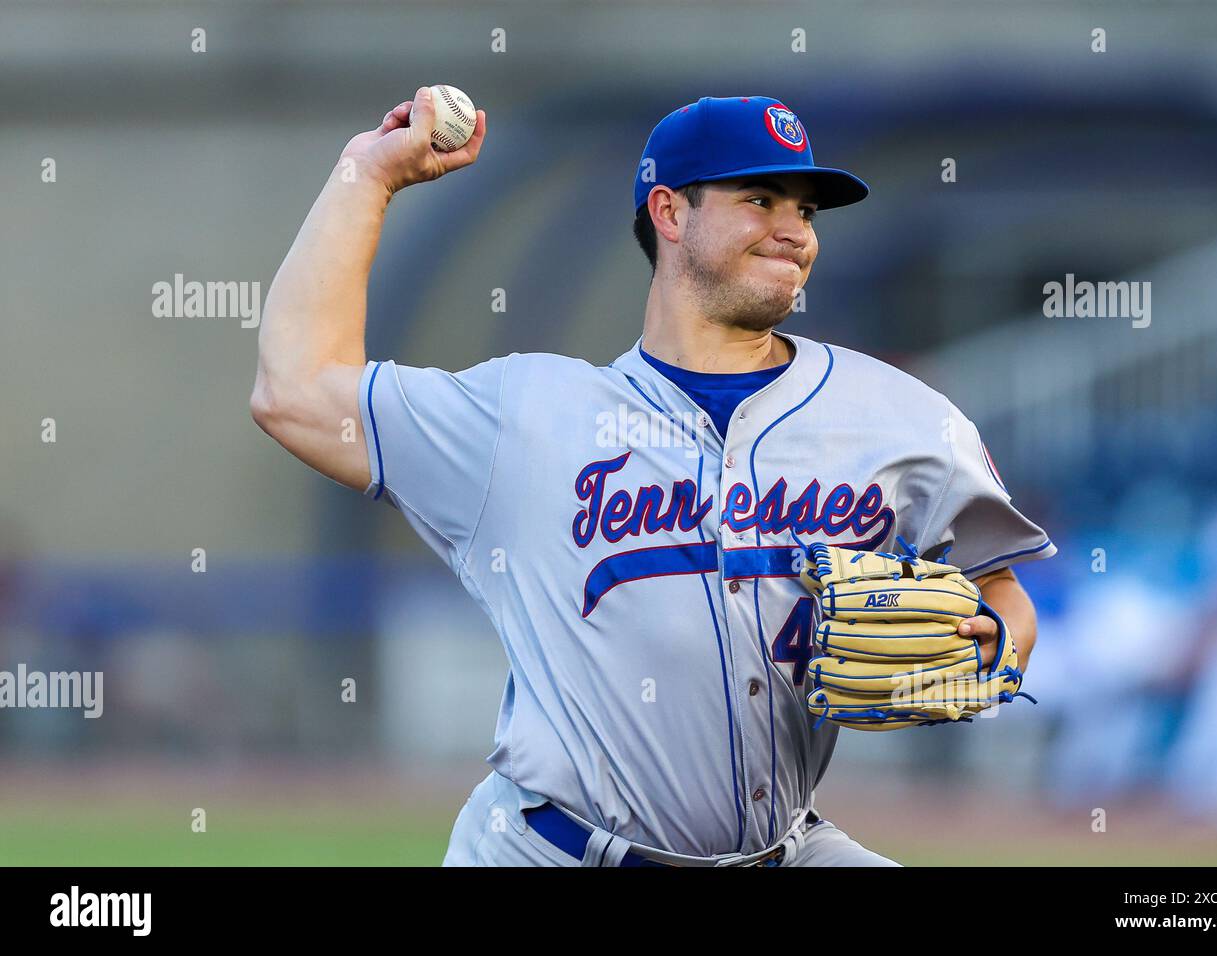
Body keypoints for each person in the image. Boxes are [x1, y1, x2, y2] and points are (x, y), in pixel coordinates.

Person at [251, 90, 1055, 866]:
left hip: (782, 847)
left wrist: (990, 655)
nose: (794, 232)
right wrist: (370, 172)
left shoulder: (896, 416)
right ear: (670, 213)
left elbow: (1005, 603)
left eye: (805, 210)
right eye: (761, 200)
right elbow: (296, 391)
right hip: (552, 852)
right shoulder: (524, 416)